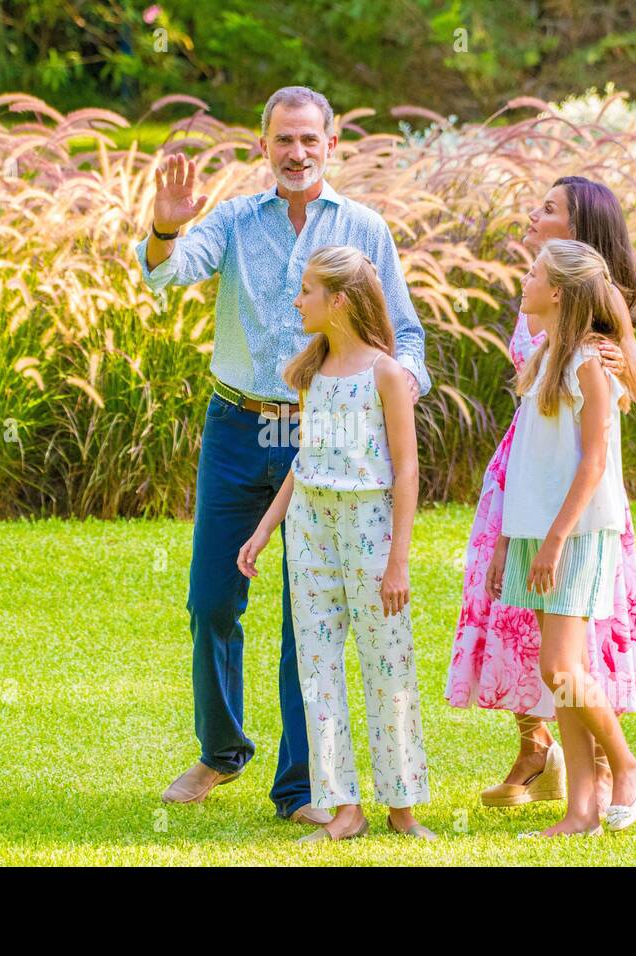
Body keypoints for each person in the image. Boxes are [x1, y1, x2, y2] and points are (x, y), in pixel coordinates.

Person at [134, 86, 431, 824]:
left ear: (330, 145)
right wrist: (164, 231)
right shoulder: (234, 219)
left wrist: (386, 397)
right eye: (283, 140)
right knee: (210, 600)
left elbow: (408, 335)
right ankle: (221, 750)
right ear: (263, 146)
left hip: (320, 434)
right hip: (236, 427)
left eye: (310, 140)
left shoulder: (364, 228)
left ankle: (304, 790)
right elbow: (166, 273)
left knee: (313, 620)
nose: (297, 153)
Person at [444, 176, 636, 810]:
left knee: (567, 647)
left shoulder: (597, 326)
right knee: (516, 623)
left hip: (570, 496)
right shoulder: (540, 308)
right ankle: (547, 761)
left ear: (578, 236)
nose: (533, 214)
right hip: (526, 479)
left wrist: (620, 352)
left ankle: (608, 766)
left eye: (549, 209)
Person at [238, 246, 433, 842]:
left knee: (387, 662)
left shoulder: (387, 374)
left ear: (339, 300)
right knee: (317, 667)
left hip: (370, 529)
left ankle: (402, 805)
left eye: (307, 291)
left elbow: (405, 470)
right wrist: (267, 526)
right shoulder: (312, 374)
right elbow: (307, 458)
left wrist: (397, 559)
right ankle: (342, 807)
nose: (297, 301)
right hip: (311, 529)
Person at [490, 238, 636, 836]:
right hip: (536, 529)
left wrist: (555, 539)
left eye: (532, 273)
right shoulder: (545, 357)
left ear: (557, 291)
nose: (523, 281)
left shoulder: (589, 360)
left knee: (560, 666)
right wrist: (512, 537)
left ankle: (628, 764)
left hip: (576, 532)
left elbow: (592, 464)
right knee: (560, 674)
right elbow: (529, 460)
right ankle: (581, 811)